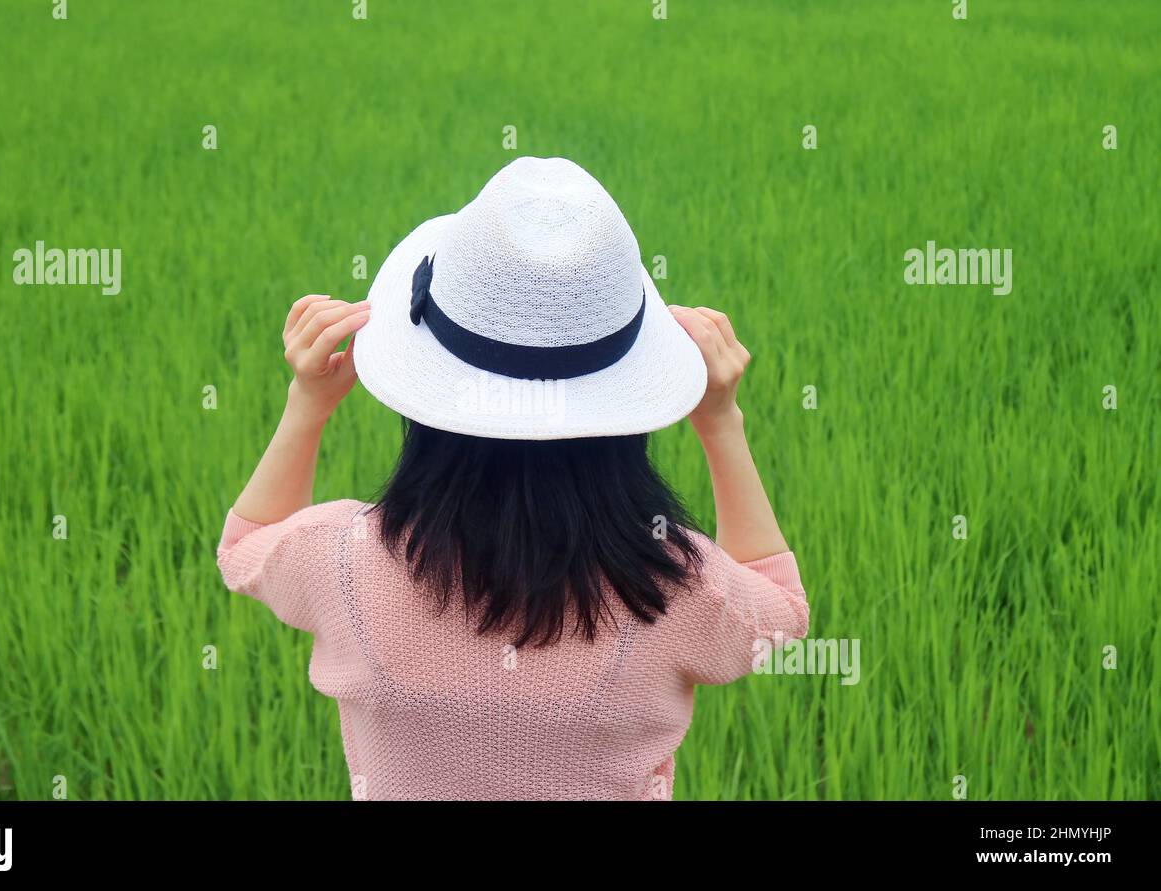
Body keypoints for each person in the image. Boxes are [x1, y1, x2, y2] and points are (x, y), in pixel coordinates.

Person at [217, 157, 809, 800]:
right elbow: (780, 613)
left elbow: (247, 546)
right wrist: (721, 424)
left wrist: (307, 406)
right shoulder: (670, 585)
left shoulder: (340, 558)